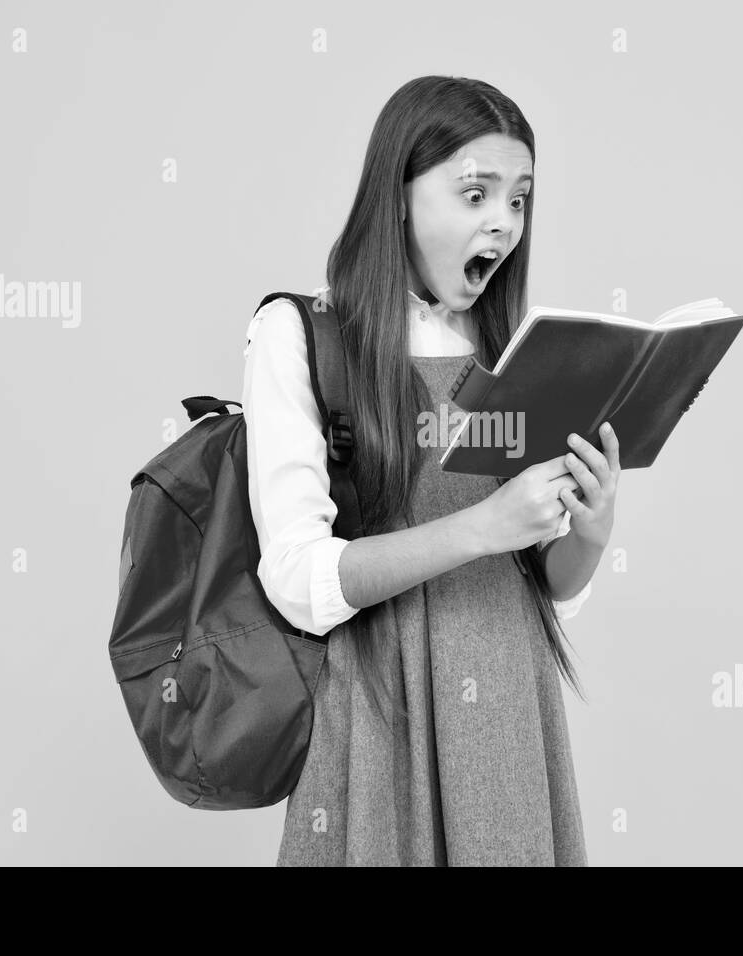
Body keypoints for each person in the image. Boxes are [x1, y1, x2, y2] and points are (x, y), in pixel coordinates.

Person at [241, 76, 621, 866]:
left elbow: (544, 584)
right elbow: (300, 580)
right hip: (377, 714)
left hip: (509, 717)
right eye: (475, 194)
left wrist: (590, 528)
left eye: (519, 199)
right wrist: (481, 527)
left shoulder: (516, 348)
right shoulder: (299, 336)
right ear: (399, 195)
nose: (503, 224)